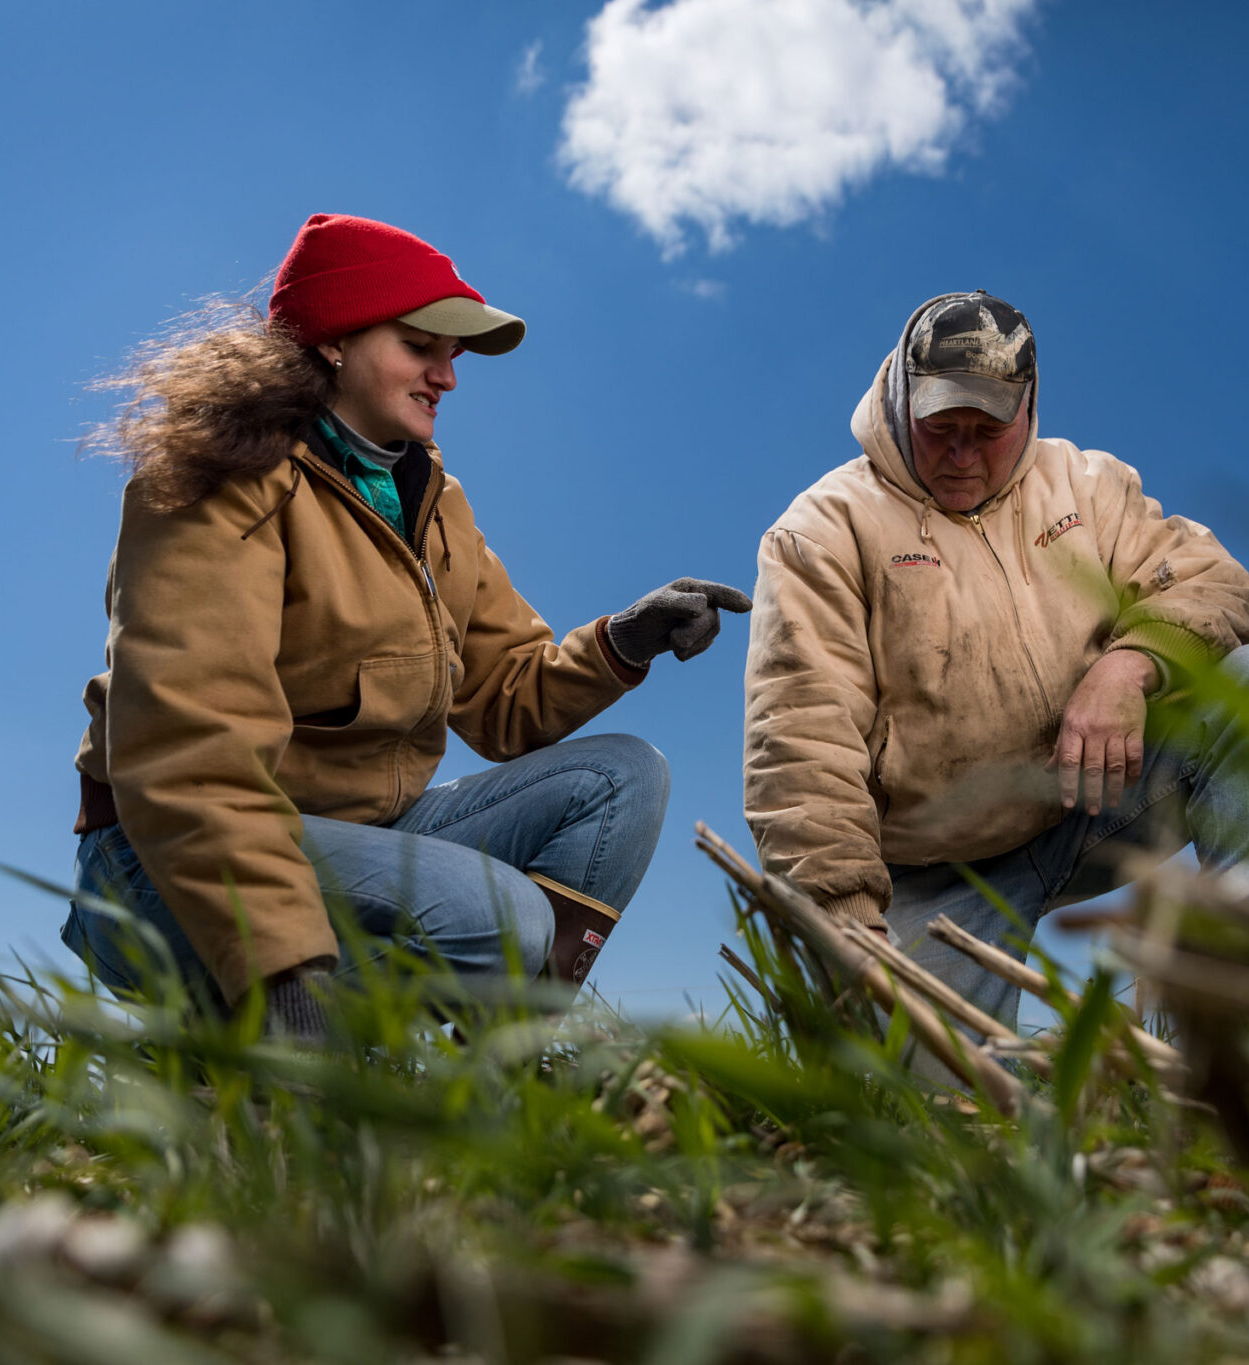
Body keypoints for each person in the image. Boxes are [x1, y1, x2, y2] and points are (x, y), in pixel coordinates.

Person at [65, 213, 750, 1036]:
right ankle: (260, 1046)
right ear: (334, 341)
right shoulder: (222, 479)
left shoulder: (432, 498)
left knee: (627, 776)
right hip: (169, 864)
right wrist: (281, 967)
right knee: (503, 915)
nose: (448, 376)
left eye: (453, 354)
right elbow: (192, 752)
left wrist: (623, 642)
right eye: (421, 346)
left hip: (360, 843)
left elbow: (505, 700)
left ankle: (500, 1073)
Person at [742, 292, 1249, 1039]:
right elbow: (801, 747)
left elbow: (1211, 583)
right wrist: (848, 929)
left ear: (1028, 406)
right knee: (928, 1095)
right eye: (939, 428)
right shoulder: (819, 532)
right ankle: (1136, 1045)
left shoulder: (1089, 485)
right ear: (899, 397)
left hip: (1095, 801)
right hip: (933, 870)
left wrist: (1131, 666)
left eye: (986, 431)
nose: (961, 455)